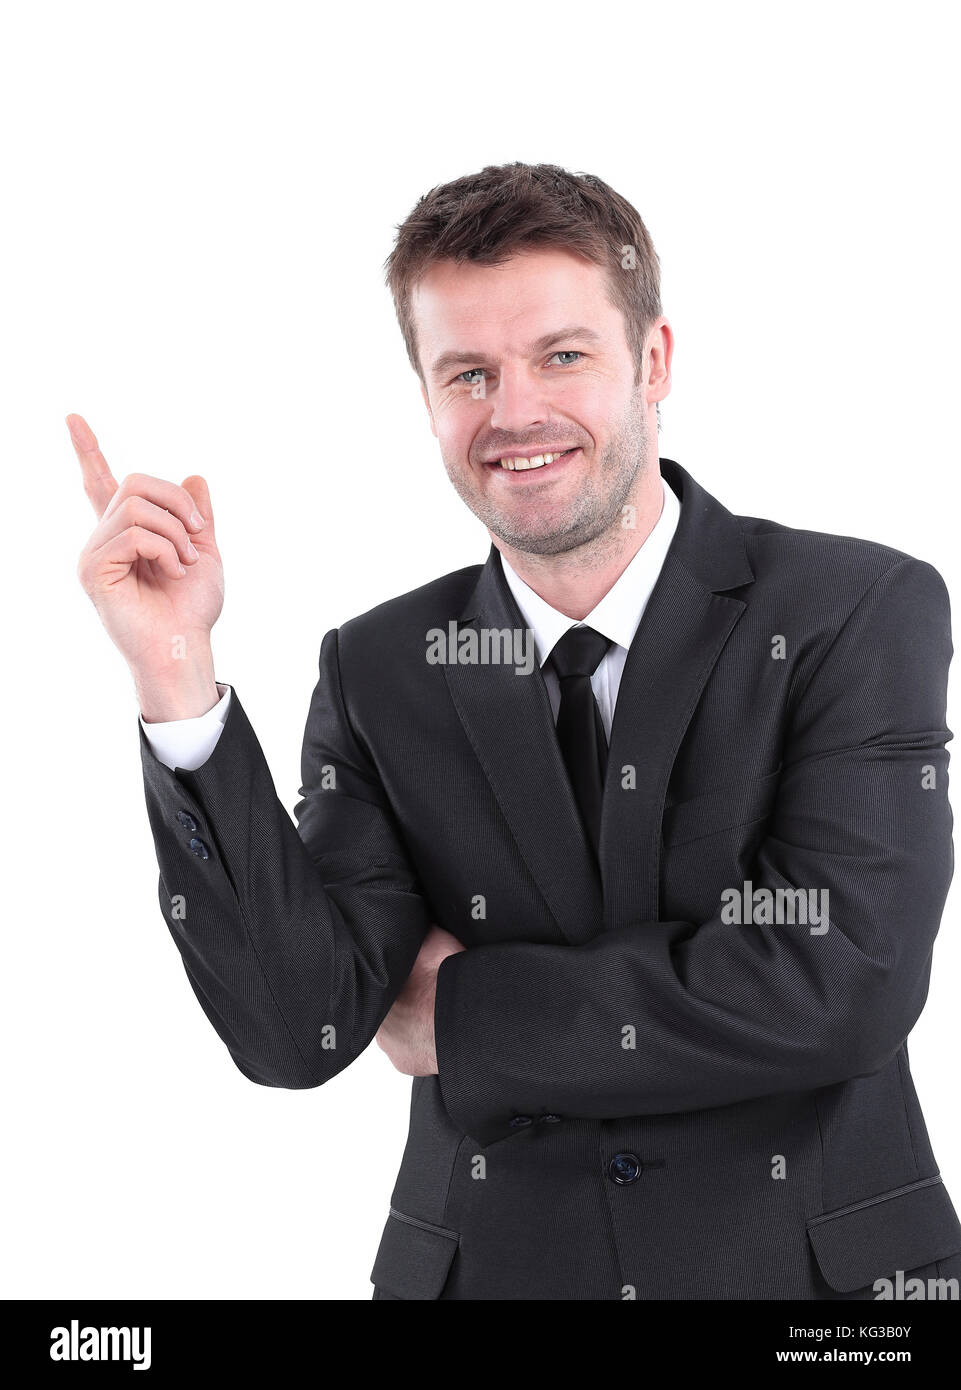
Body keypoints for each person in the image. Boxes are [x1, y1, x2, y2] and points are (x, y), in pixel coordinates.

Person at [72, 162, 961, 1300]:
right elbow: (304, 1027)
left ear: (652, 364)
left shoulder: (851, 609)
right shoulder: (382, 667)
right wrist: (175, 675)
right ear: (429, 399)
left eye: (562, 356)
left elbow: (841, 981)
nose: (516, 413)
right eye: (469, 373)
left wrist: (467, 1012)